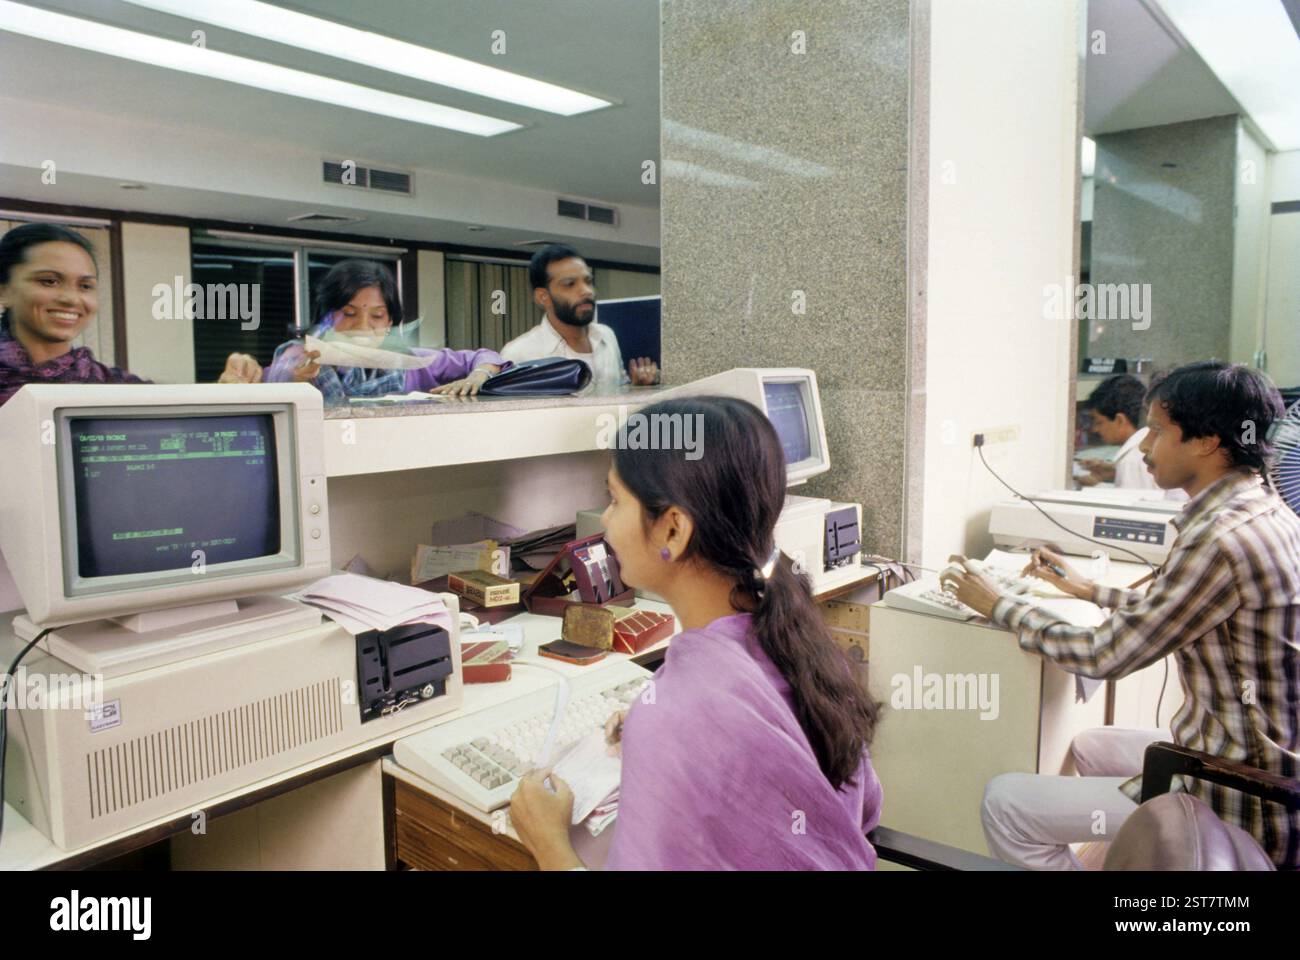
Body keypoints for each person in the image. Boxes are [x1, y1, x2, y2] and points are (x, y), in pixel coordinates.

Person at [944, 361, 1300, 870]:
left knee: (1004, 803)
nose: (1145, 447)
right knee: (1090, 745)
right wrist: (1089, 589)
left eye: (1156, 430)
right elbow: (1184, 610)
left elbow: (1102, 655)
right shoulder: (1262, 508)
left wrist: (1001, 606)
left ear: (1205, 441)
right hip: (1255, 757)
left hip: (1237, 790)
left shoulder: (1220, 538)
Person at [508, 396, 883, 869]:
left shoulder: (679, 716)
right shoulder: (800, 641)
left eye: (615, 500)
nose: (604, 520)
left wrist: (548, 842)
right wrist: (679, 741)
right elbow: (864, 805)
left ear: (673, 531)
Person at [0, 222, 255, 405]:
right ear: (4, 292)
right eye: (49, 281)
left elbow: (179, 415)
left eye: (85, 286)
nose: (71, 299)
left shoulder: (109, 384)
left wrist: (228, 387)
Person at [251, 259, 505, 399]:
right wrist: (296, 379)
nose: (363, 326)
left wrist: (478, 375)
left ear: (390, 323)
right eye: (349, 313)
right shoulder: (301, 358)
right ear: (327, 316)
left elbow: (486, 357)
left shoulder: (413, 362)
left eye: (377, 315)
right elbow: (266, 382)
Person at [500, 244, 658, 389]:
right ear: (543, 297)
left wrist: (637, 386)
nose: (587, 291)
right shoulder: (519, 353)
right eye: (570, 284)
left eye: (588, 281)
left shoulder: (606, 336)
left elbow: (618, 391)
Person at [1078, 374, 1159, 490]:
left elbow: (1133, 505)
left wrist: (1095, 486)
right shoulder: (1149, 446)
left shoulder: (1132, 461)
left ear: (1120, 420)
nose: (1094, 429)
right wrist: (1114, 472)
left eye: (1098, 422)